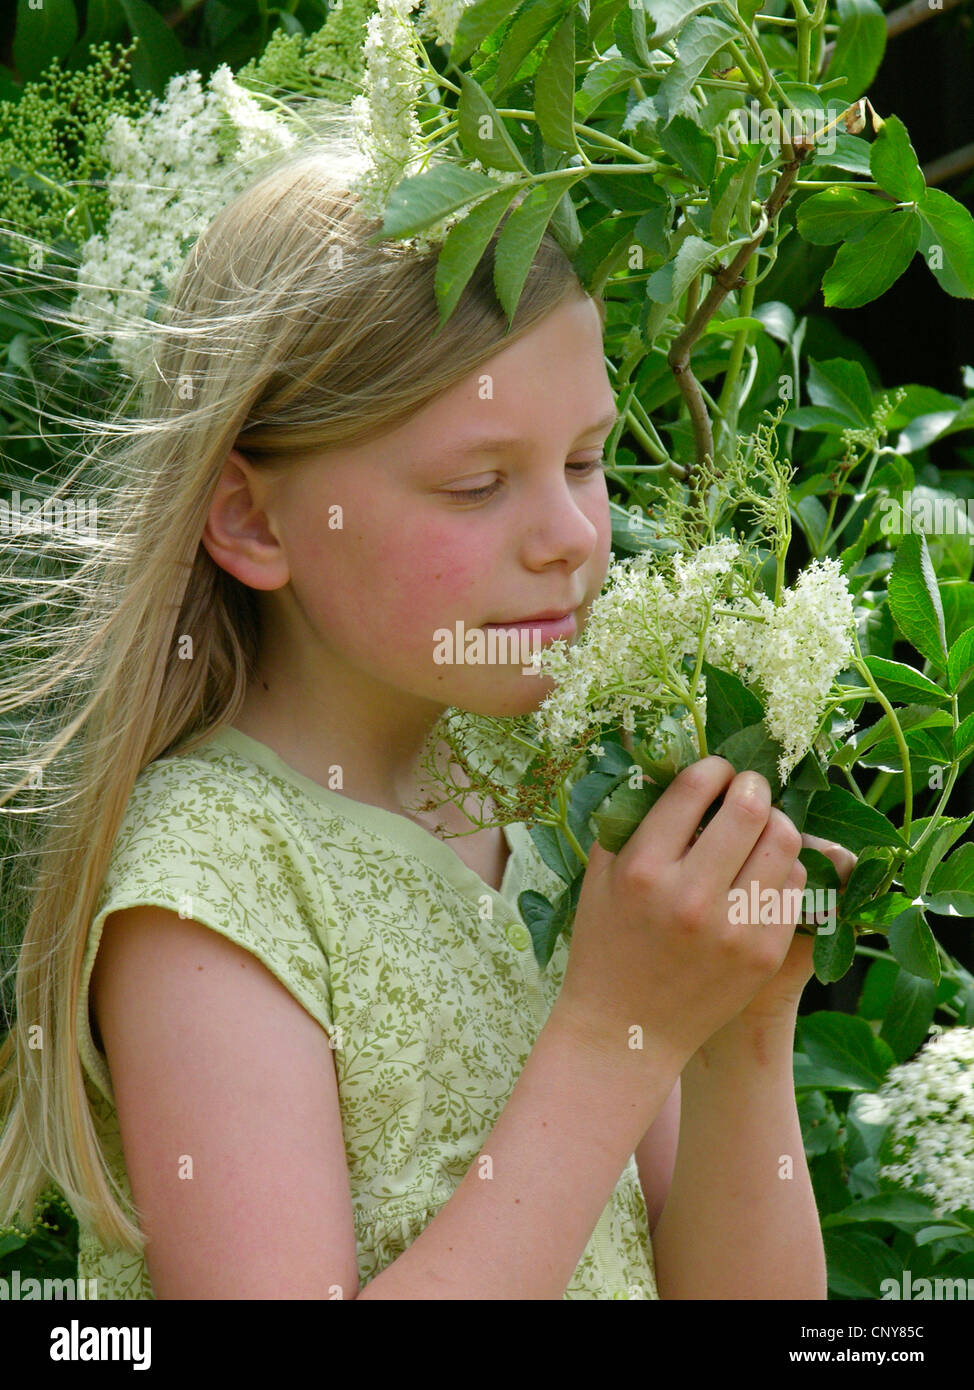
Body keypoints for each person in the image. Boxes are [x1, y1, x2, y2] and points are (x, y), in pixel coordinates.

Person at [0, 122, 855, 1300]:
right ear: (252, 521)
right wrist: (617, 1033)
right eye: (477, 484)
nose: (568, 537)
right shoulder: (209, 884)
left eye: (586, 461)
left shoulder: (556, 797)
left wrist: (738, 1033)